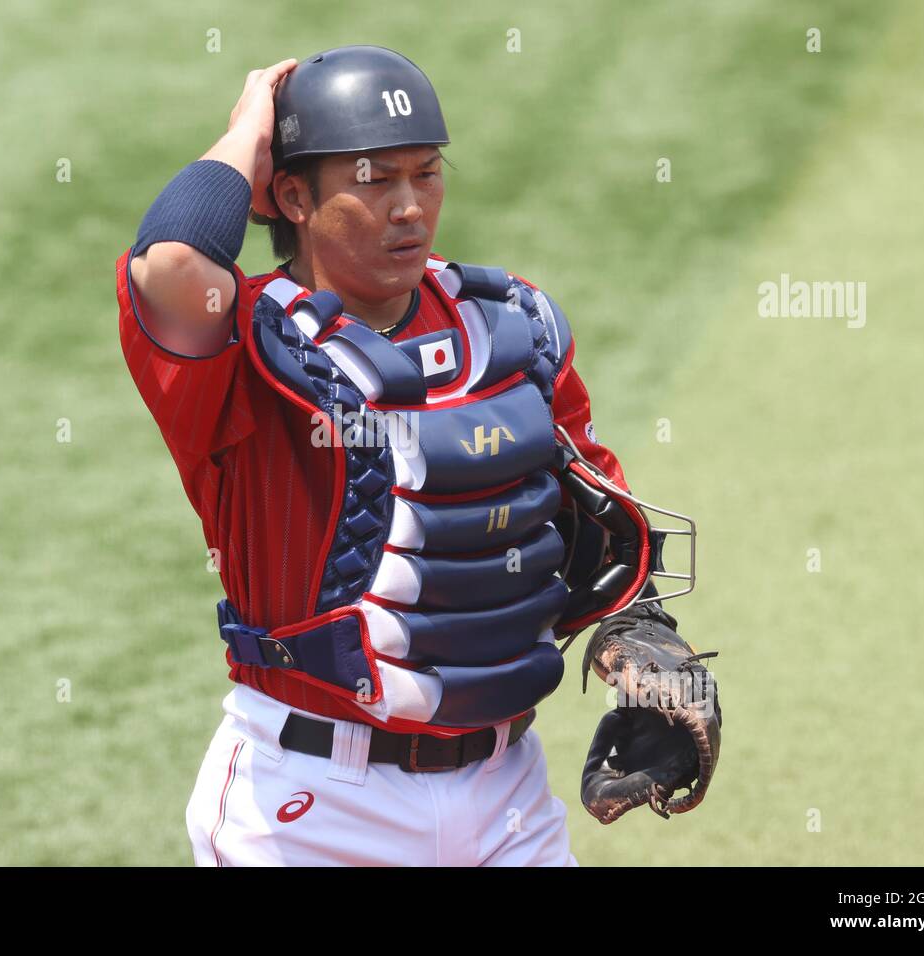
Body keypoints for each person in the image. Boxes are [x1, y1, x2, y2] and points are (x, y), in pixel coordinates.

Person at [115, 46, 720, 866]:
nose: (409, 207)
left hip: (507, 793)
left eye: (426, 173)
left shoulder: (511, 332)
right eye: (373, 179)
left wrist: (640, 629)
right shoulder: (240, 347)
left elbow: (590, 505)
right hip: (314, 805)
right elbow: (173, 264)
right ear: (292, 194)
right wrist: (250, 127)